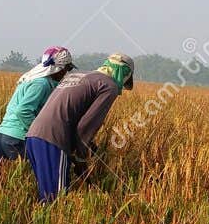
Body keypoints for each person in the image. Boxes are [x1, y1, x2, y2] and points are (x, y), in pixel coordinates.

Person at [23, 53, 133, 201]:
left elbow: (69, 111)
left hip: (34, 135)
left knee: (46, 196)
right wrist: (81, 158)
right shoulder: (108, 85)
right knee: (58, 200)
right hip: (55, 140)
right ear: (124, 73)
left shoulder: (76, 75)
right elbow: (86, 126)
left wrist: (85, 147)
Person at [0, 47, 74, 173]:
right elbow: (23, 111)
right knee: (25, 178)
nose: (66, 73)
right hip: (17, 138)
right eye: (67, 68)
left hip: (3, 135)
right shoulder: (41, 84)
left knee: (4, 181)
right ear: (59, 68)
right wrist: (38, 132)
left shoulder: (33, 79)